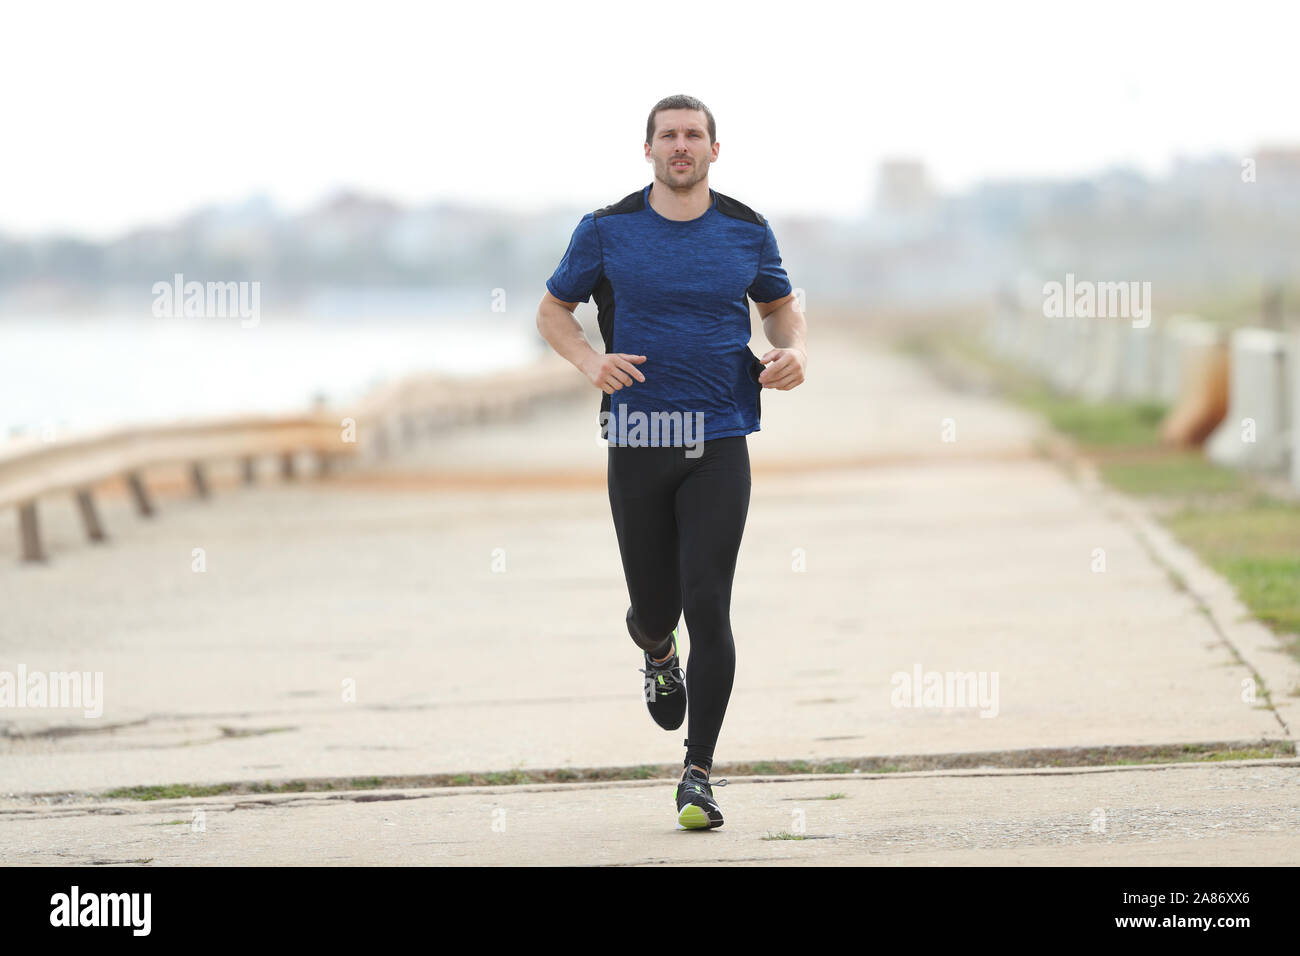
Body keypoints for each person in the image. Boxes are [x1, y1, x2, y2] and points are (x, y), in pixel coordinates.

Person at [535, 94, 807, 829]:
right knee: (658, 609)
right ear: (648, 149)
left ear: (715, 150)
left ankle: (698, 775)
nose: (680, 145)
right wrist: (591, 361)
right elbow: (553, 312)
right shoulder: (606, 230)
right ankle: (658, 652)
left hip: (720, 437)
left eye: (693, 135)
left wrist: (793, 351)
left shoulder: (746, 230)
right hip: (640, 441)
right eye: (668, 135)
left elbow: (780, 307)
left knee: (710, 604)